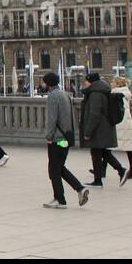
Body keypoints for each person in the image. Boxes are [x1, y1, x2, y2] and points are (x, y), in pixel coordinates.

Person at [43, 72, 89, 208]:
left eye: (44, 82)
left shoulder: (52, 96)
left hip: (56, 139)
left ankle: (60, 199)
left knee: (53, 169)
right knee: (59, 167)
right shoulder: (65, 94)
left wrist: (49, 136)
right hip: (66, 138)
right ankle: (79, 189)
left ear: (49, 83)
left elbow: (52, 119)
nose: (42, 84)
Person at [81, 72, 127, 187]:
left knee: (96, 153)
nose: (84, 84)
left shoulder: (95, 93)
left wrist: (88, 132)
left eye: (85, 81)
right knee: (103, 152)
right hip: (105, 126)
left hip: (99, 128)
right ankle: (120, 171)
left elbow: (94, 114)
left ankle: (99, 180)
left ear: (90, 82)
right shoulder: (103, 90)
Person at [110, 76, 132, 180]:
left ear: (118, 84)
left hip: (118, 123)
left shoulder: (114, 93)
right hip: (127, 123)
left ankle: (100, 172)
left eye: (113, 81)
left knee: (106, 148)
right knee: (129, 148)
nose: (111, 83)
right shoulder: (127, 93)